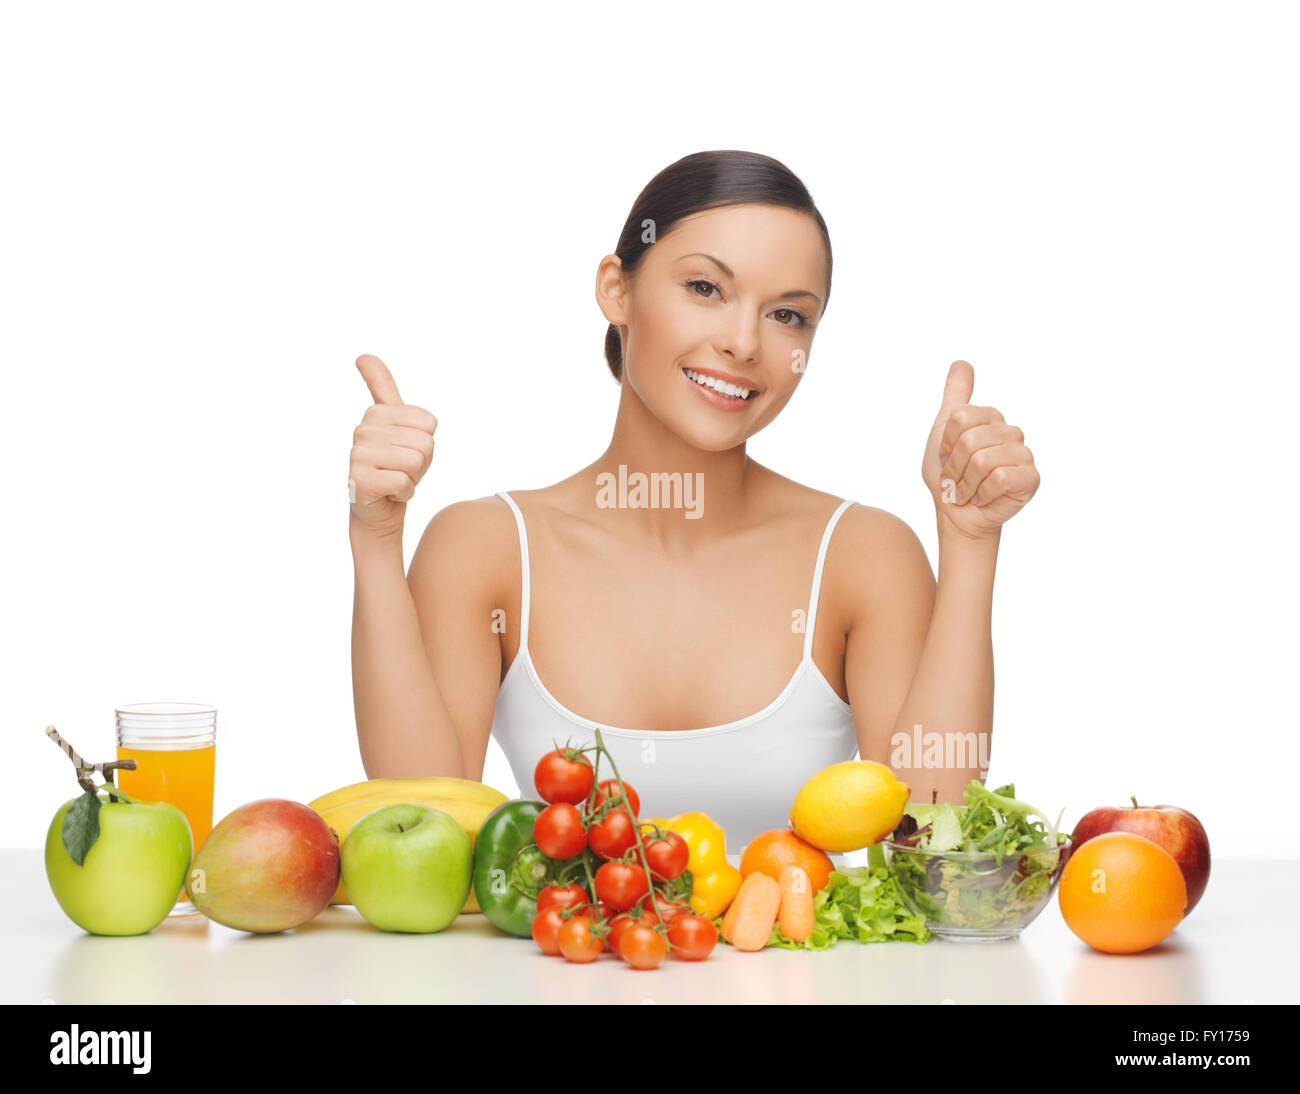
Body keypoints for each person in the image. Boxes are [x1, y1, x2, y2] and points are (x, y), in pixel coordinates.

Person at [346, 150, 1040, 849]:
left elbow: (928, 838)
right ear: (617, 290)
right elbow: (422, 831)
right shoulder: (486, 548)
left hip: (790, 960)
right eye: (706, 288)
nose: (742, 343)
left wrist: (971, 543)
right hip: (570, 958)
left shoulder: (864, 554)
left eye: (788, 317)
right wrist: (376, 542)